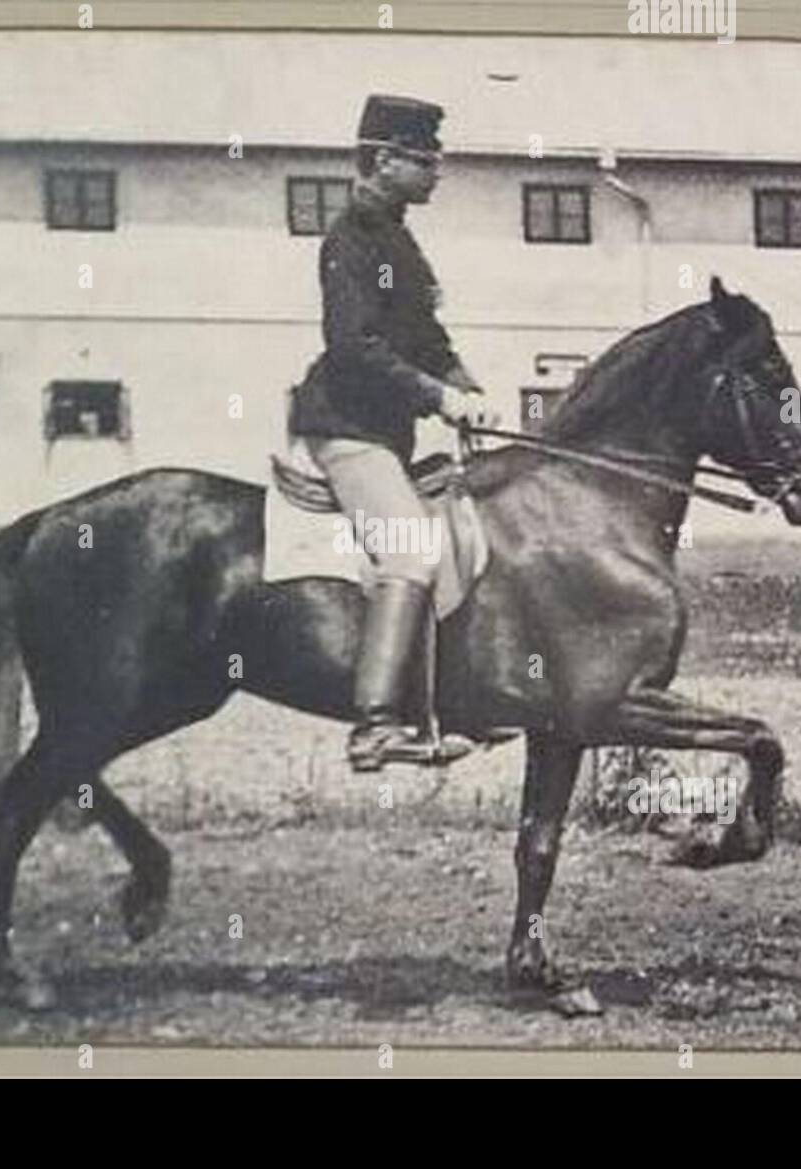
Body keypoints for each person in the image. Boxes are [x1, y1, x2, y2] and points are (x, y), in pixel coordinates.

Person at [288, 94, 495, 772]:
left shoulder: (399, 238)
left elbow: (427, 339)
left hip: (386, 435)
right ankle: (374, 724)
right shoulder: (350, 238)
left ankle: (454, 701)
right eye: (424, 159)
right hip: (347, 429)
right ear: (383, 160)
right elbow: (355, 348)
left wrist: (470, 390)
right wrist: (439, 397)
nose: (436, 171)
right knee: (409, 551)